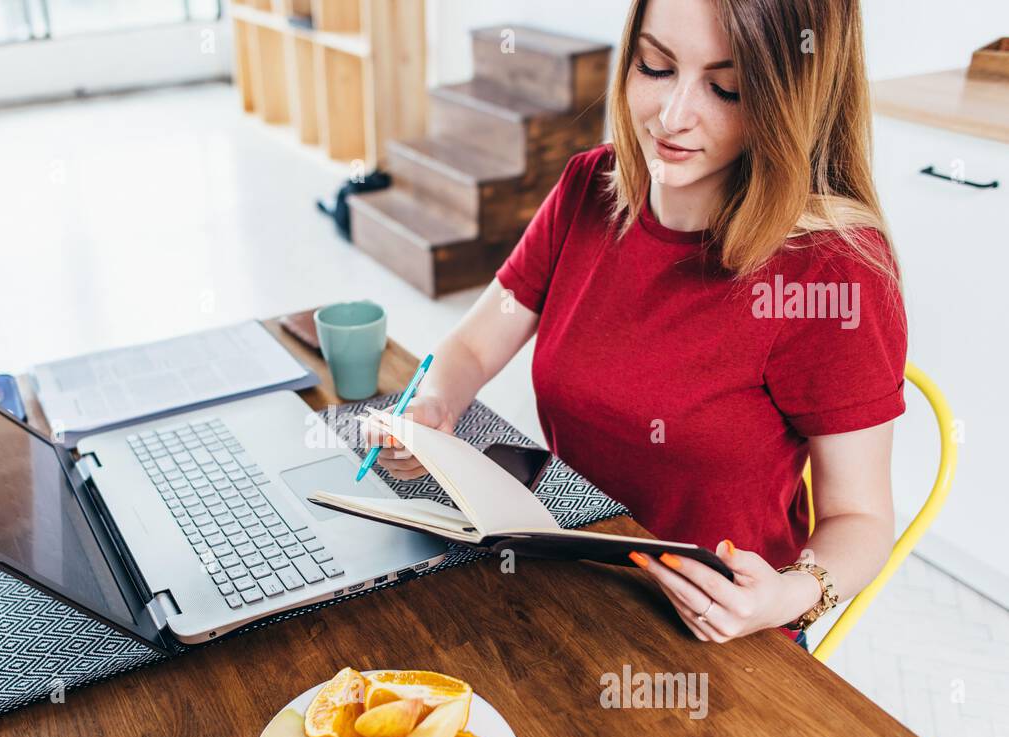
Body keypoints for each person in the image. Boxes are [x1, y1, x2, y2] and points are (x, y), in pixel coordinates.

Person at [364, 0, 907, 647]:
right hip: (573, 570)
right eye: (655, 66)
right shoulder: (587, 188)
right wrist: (432, 406)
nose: (672, 117)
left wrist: (789, 592)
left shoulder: (833, 274)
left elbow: (862, 517)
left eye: (725, 87)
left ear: (794, 98)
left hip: (714, 630)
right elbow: (475, 345)